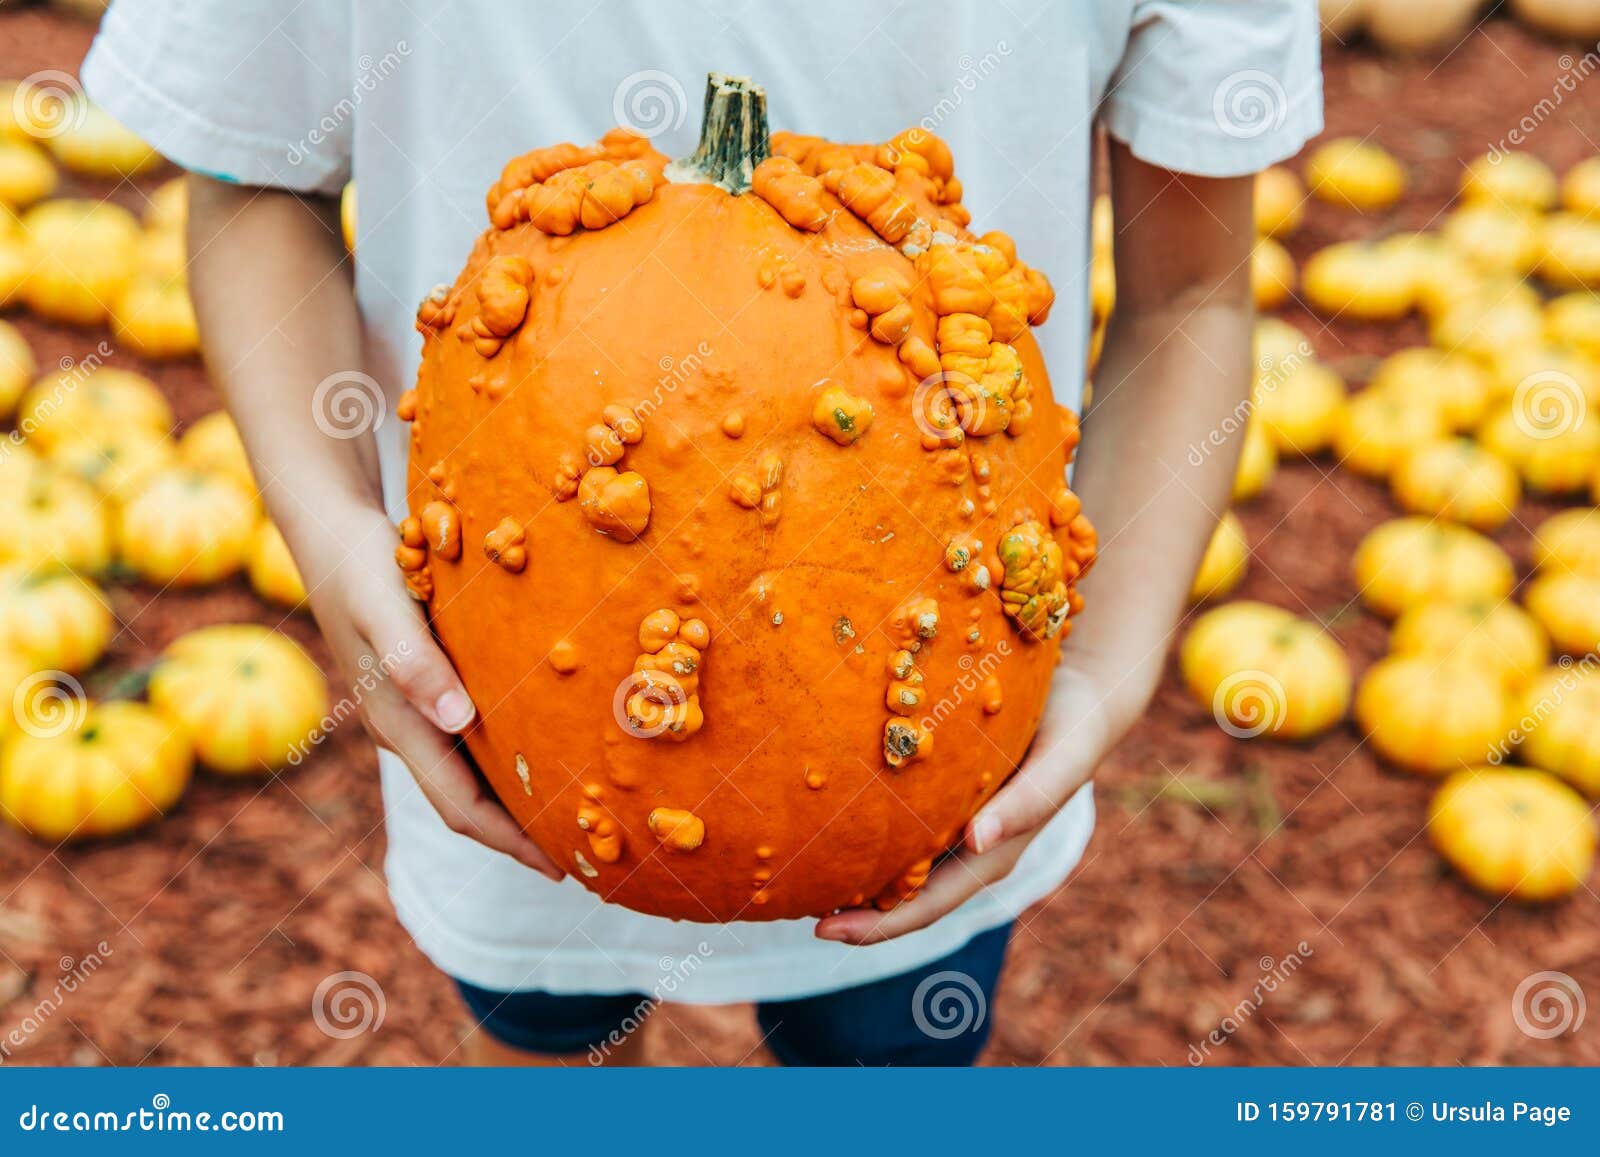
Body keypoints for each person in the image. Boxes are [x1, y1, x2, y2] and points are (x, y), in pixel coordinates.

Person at [83, 0, 1321, 1066]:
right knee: (546, 1041)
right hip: (498, 727)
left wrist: (1103, 668)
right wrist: (327, 517)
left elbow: (1191, 293)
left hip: (949, 770)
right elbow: (250, 183)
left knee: (887, 1056)